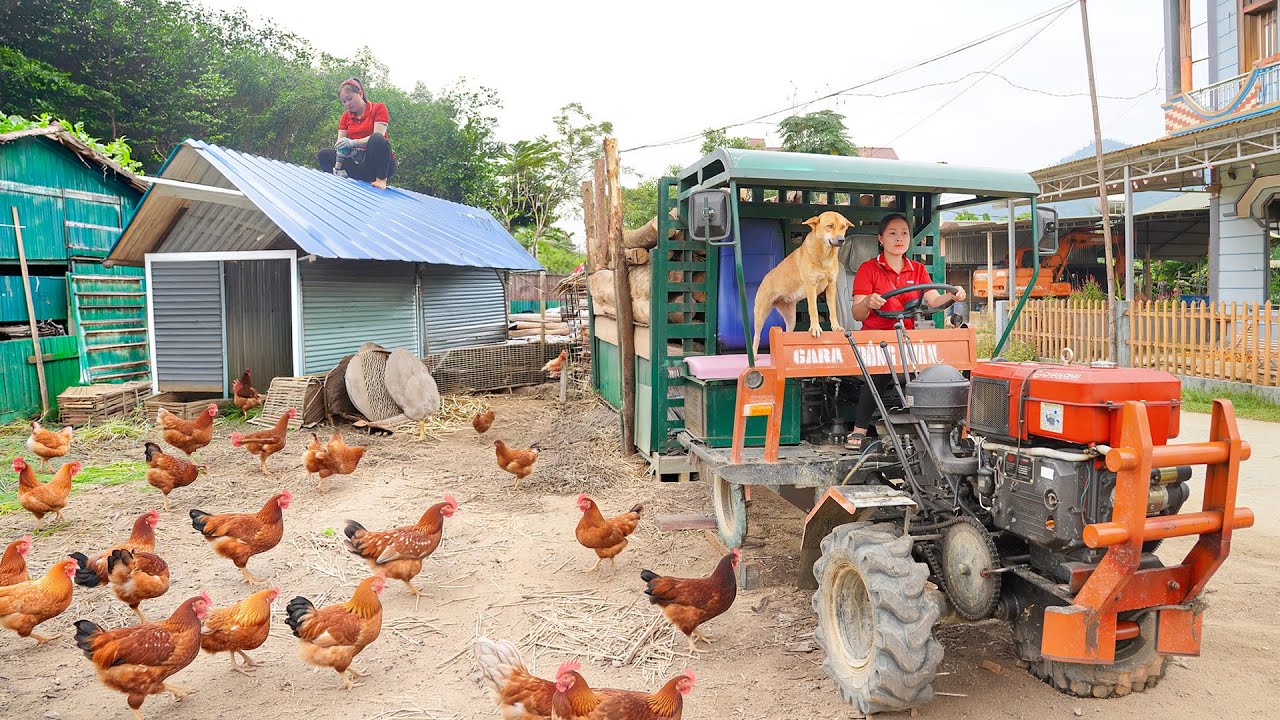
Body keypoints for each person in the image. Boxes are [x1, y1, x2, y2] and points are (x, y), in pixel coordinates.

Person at [844, 212, 966, 450]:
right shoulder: (868, 269)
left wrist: (953, 295)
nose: (899, 238)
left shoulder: (917, 269)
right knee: (880, 370)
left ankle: (945, 425)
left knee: (941, 370)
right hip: (876, 340)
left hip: (908, 339)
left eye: (904, 233)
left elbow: (933, 302)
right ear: (880, 238)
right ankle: (859, 428)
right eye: (892, 233)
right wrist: (868, 302)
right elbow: (857, 314)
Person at [316, 77, 395, 189]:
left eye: (349, 99)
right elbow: (341, 143)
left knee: (377, 138)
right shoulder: (345, 116)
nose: (347, 104)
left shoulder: (378, 108)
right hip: (359, 163)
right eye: (344, 101)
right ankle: (335, 178)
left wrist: (353, 143)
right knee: (324, 154)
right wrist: (342, 156)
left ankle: (381, 179)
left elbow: (379, 136)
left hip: (379, 164)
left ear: (360, 93)